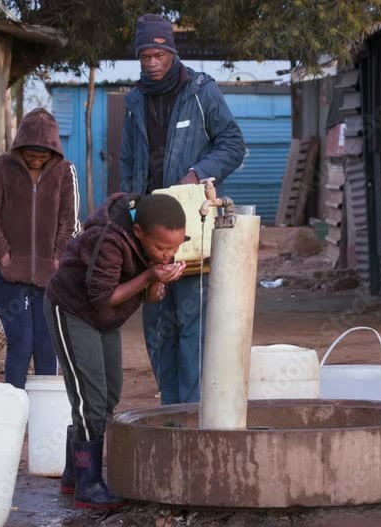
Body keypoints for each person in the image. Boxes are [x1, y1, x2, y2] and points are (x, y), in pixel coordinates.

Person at [120, 14, 247, 405]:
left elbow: (232, 143)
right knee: (158, 322)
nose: (151, 62)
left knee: (192, 320)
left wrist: (198, 173)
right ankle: (169, 410)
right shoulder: (134, 101)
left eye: (158, 54)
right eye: (145, 55)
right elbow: (127, 160)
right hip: (149, 228)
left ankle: (193, 412)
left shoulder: (200, 92)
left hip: (193, 226)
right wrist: (129, 209)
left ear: (172, 53)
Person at [45, 193, 187, 509]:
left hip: (105, 319)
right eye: (162, 248)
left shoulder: (153, 244)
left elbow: (149, 299)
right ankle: (88, 484)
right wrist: (150, 275)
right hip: (72, 310)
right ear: (138, 233)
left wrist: (159, 279)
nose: (168, 254)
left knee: (109, 394)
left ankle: (74, 473)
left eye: (174, 249)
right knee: (89, 398)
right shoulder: (108, 240)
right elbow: (103, 297)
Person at [0, 108, 80, 390]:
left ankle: (42, 420)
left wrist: (58, 258)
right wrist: (4, 256)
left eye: (42, 155)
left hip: (52, 278)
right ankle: (13, 412)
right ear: (20, 148)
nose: (35, 160)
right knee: (20, 343)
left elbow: (70, 222)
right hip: (7, 276)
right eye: (30, 154)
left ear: (53, 152)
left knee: (47, 347)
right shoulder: (1, 168)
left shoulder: (65, 172)